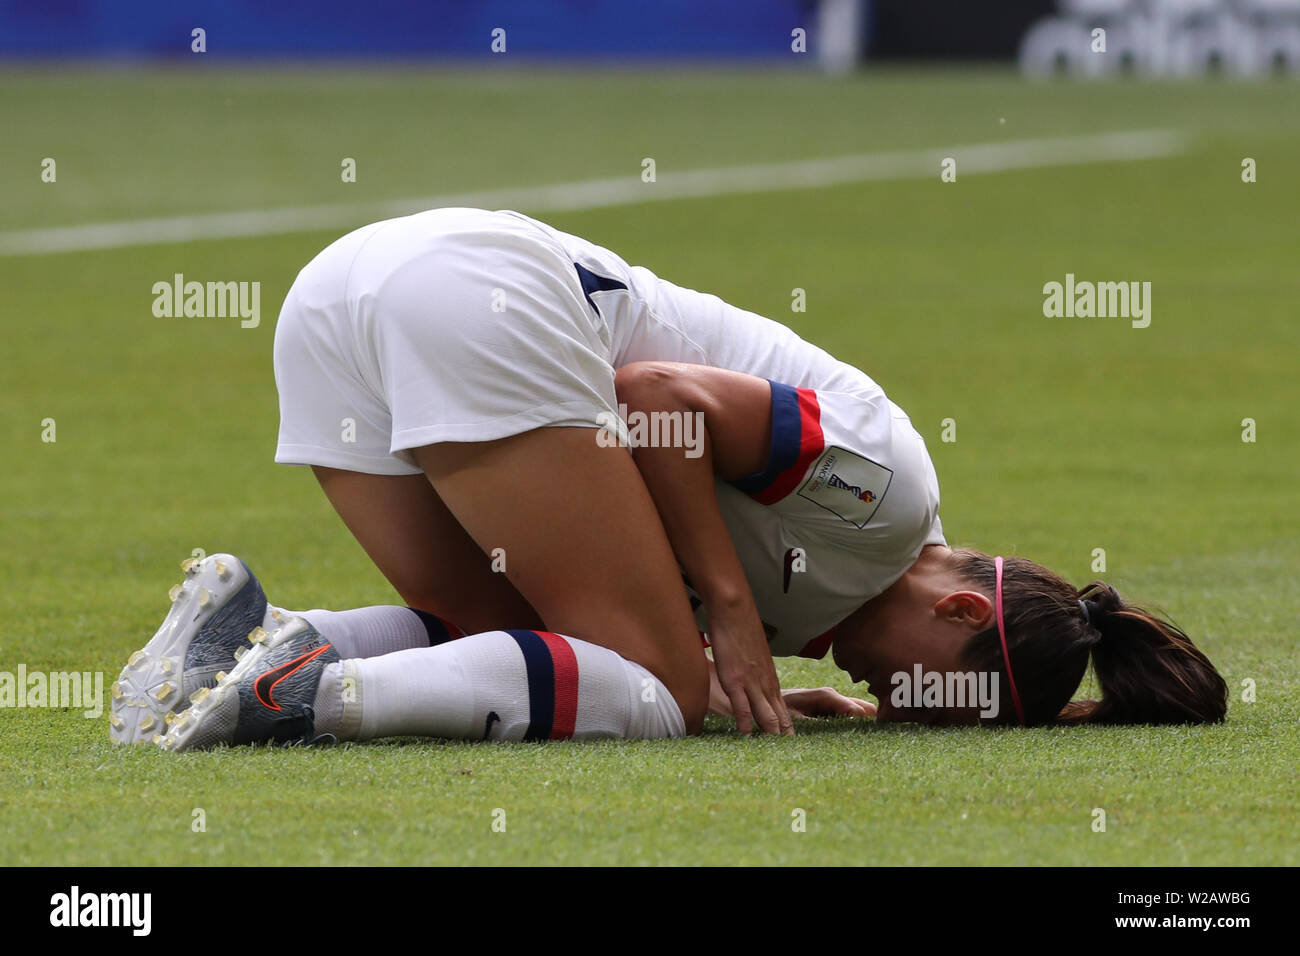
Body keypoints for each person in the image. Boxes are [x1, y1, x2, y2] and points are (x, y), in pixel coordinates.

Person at [108, 208, 1226, 749]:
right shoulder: (885, 504)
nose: (902, 706)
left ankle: (248, 633)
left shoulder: (839, 589)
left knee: (501, 636)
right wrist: (722, 630)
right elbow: (653, 397)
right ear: (955, 604)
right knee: (653, 689)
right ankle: (299, 699)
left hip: (336, 303)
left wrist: (726, 661)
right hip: (480, 299)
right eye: (936, 692)